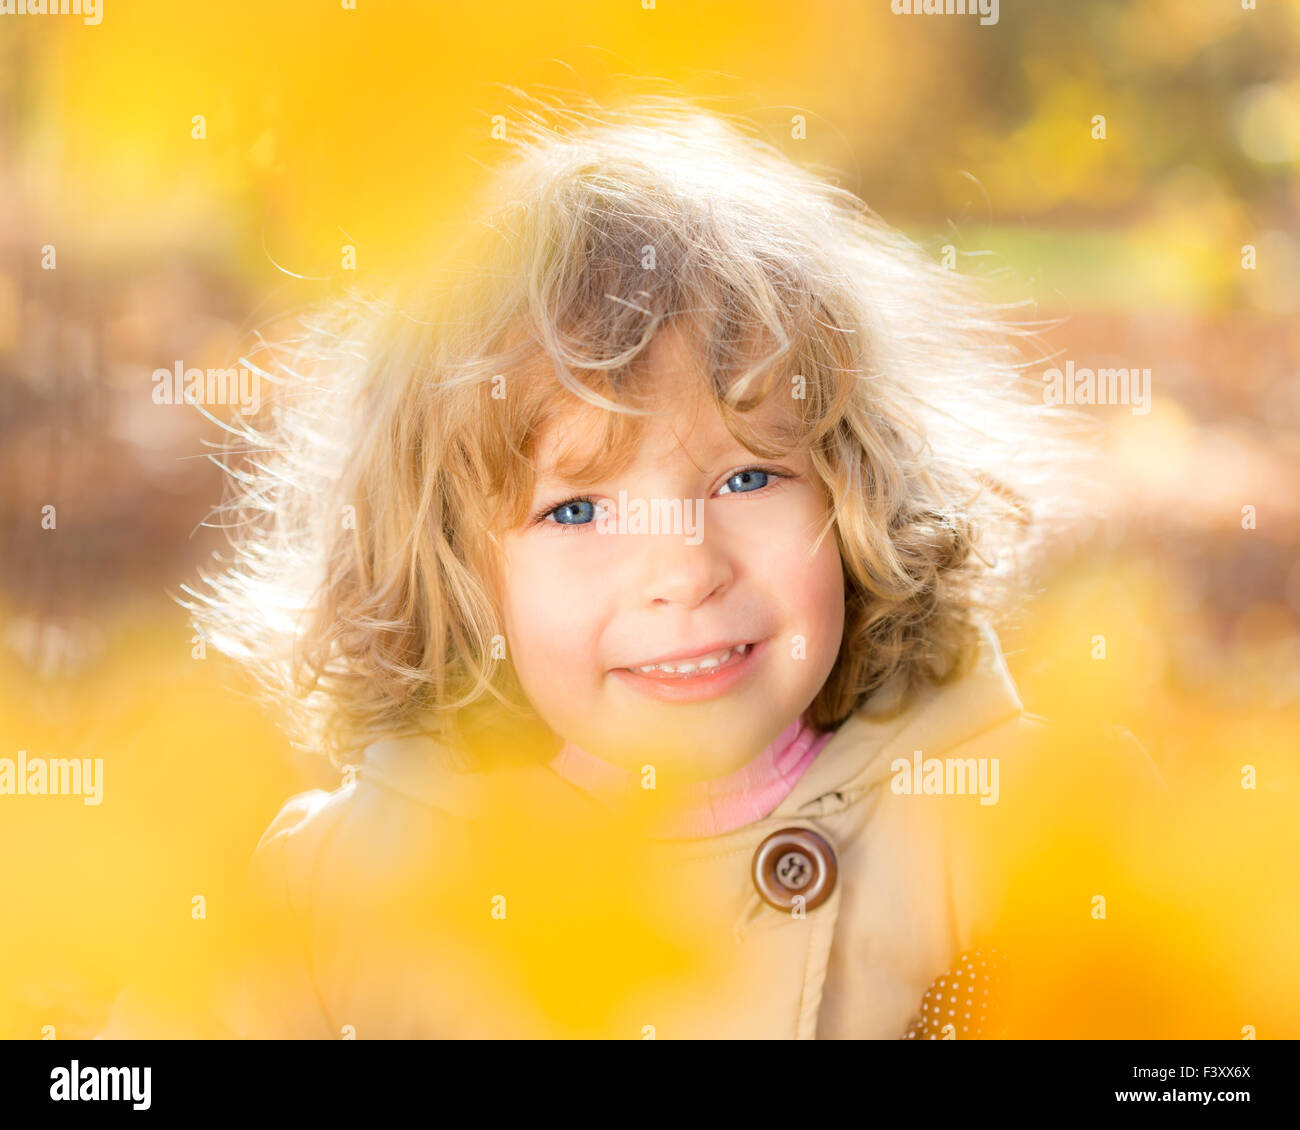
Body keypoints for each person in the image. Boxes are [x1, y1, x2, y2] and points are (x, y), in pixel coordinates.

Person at [105, 96, 1159, 1039]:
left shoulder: (1013, 829)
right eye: (575, 509)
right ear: (457, 569)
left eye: (747, 479)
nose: (684, 570)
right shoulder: (342, 895)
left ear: (851, 494)